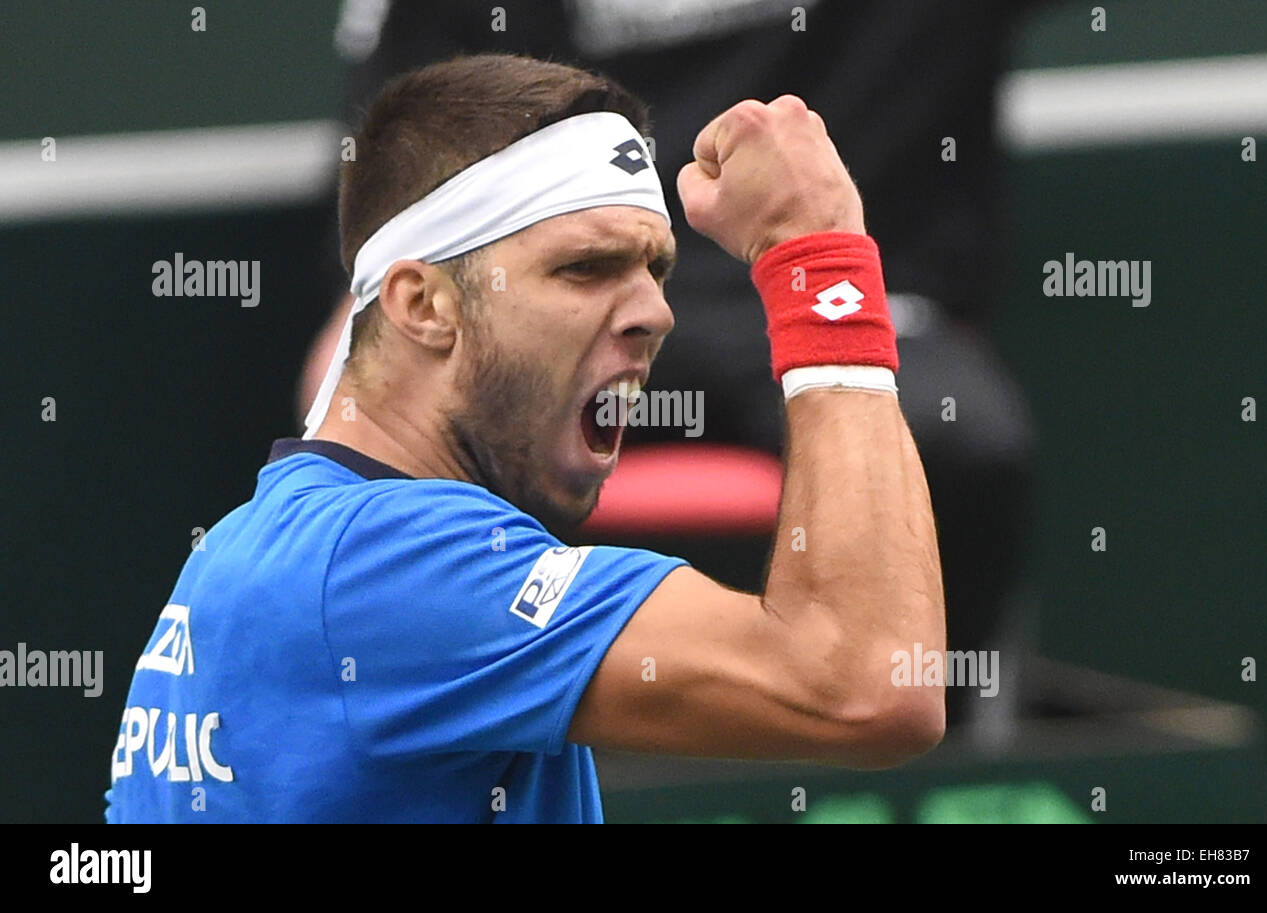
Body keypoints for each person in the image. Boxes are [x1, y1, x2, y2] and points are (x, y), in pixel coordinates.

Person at [105, 54, 944, 823]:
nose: (655, 313)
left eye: (656, 270)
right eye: (585, 268)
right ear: (422, 304)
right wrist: (819, 261)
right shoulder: (389, 560)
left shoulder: (243, 553)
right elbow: (868, 681)